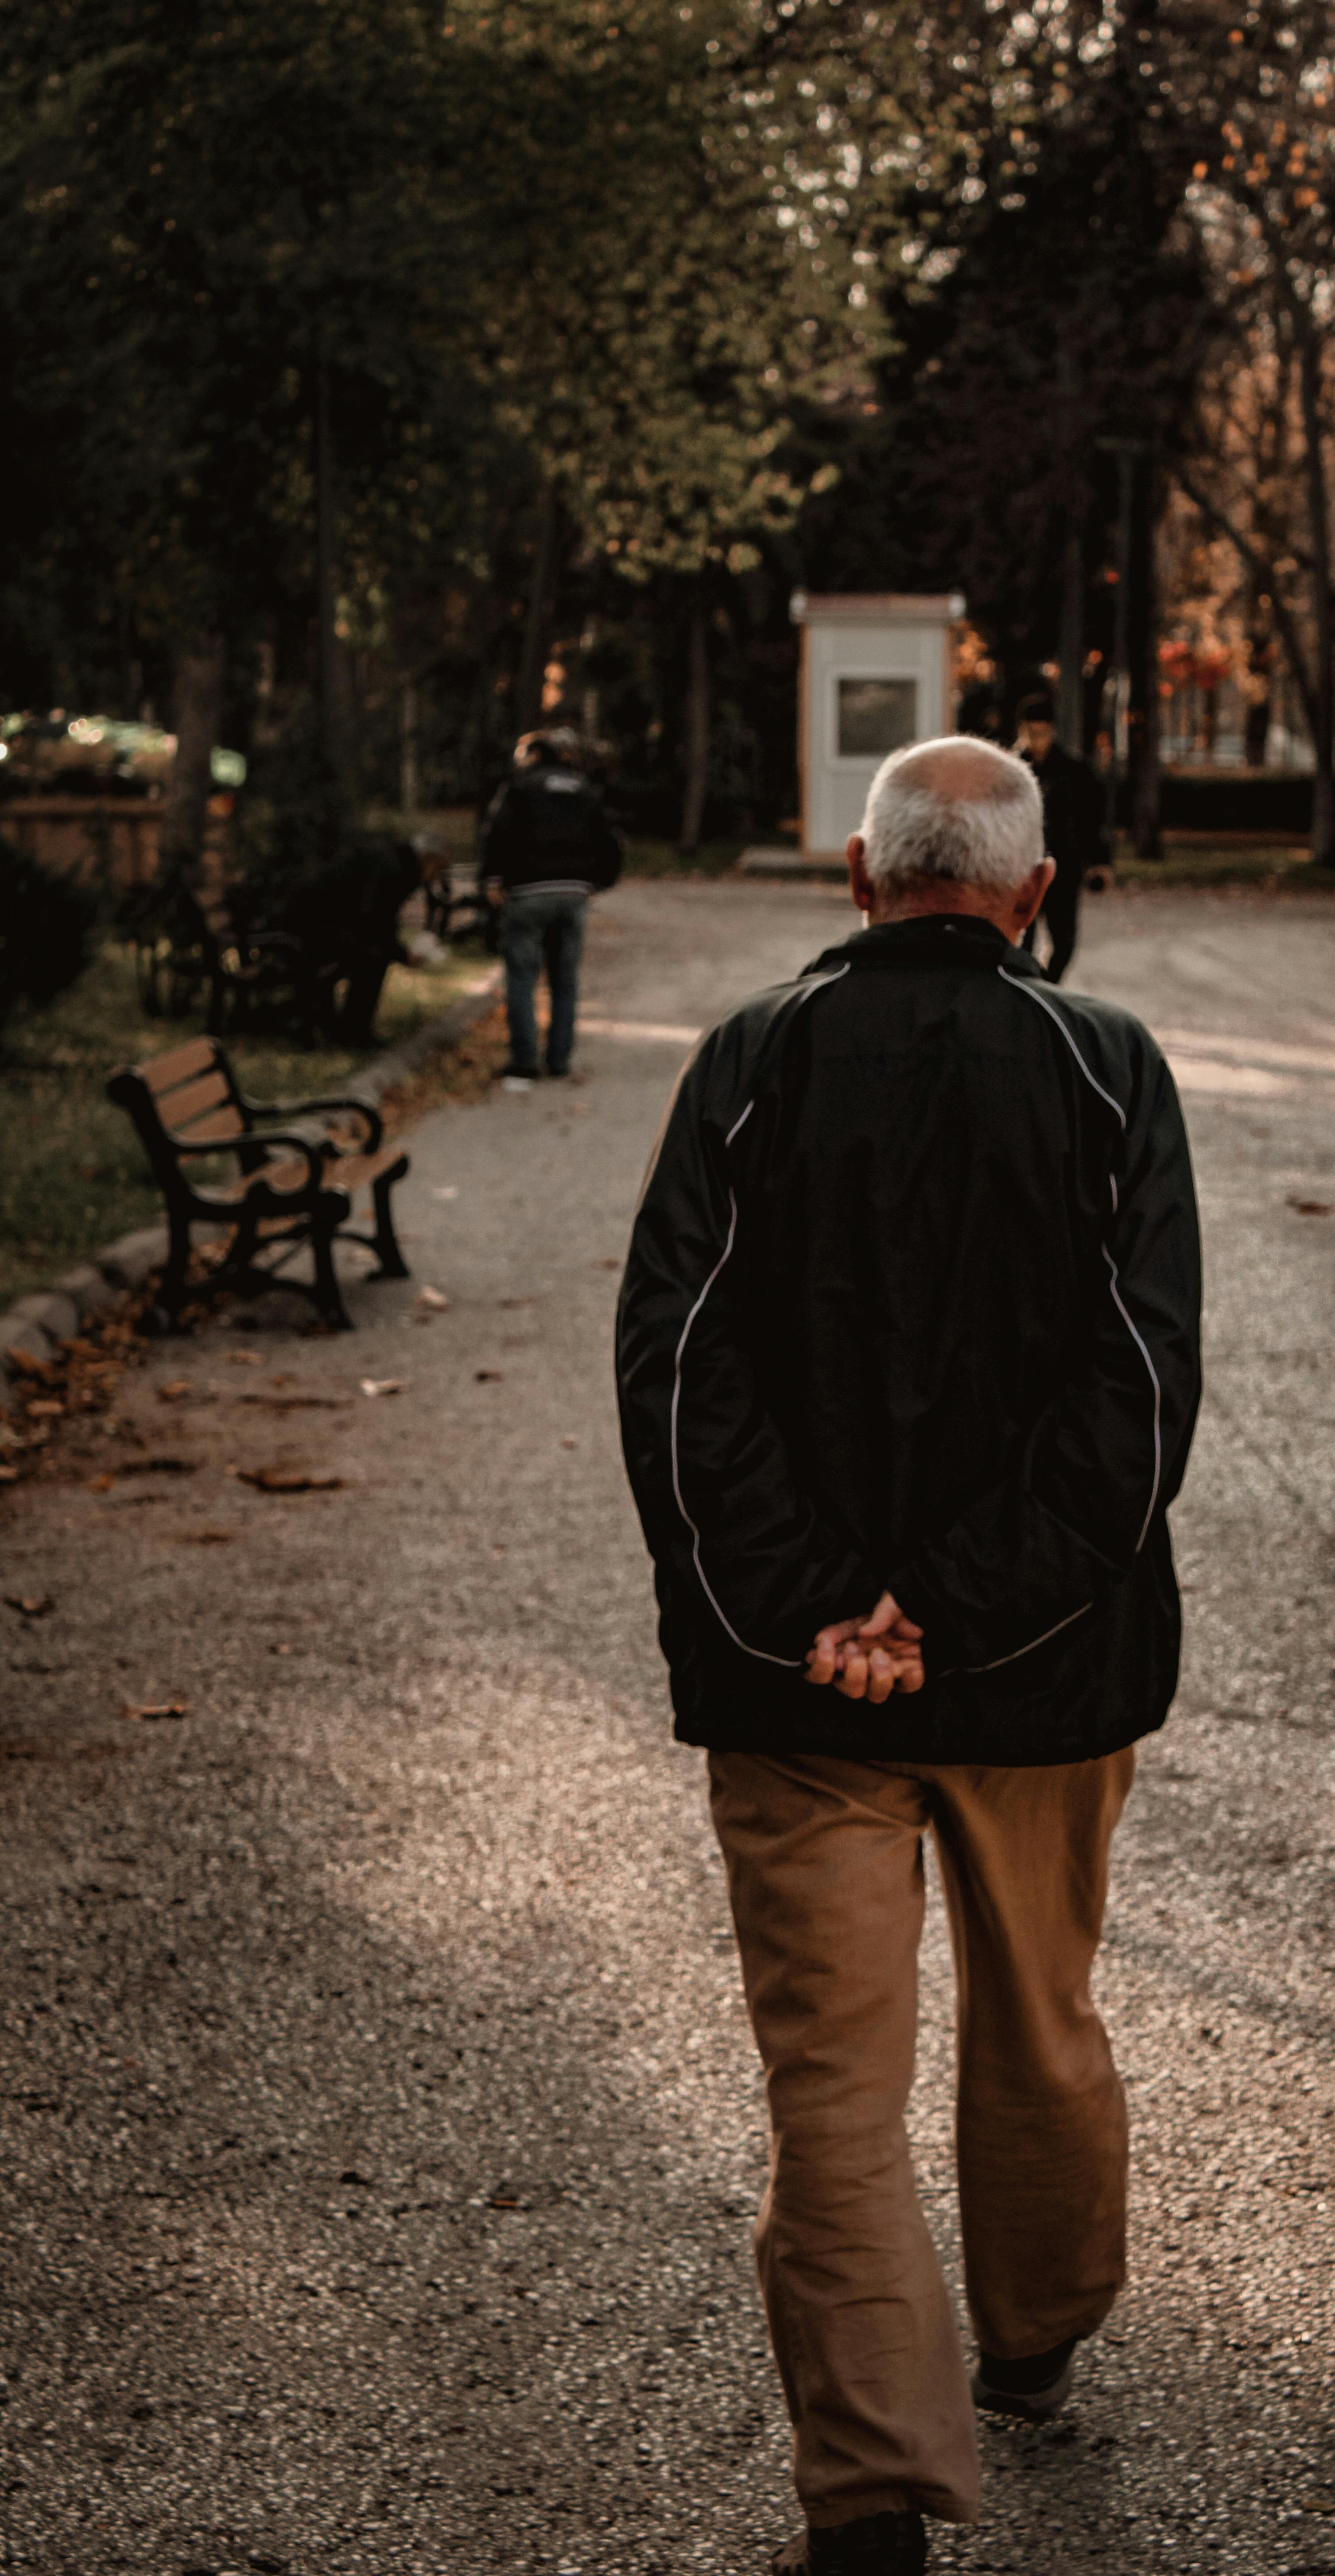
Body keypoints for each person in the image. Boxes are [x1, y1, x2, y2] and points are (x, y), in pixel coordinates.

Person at [616, 736, 1203, 2574]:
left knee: (832, 2101)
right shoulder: (1108, 1066)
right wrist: (953, 1611)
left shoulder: (752, 1059)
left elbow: (678, 1369)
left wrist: (826, 1611)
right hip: (1049, 1676)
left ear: (859, 879)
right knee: (1042, 2022)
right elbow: (1139, 1395)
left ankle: (871, 2501)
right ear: (1033, 896)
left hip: (801, 1692)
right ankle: (1032, 2340)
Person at [478, 724, 621, 1088]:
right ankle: (559, 1061)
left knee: (522, 977)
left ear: (536, 755)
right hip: (573, 894)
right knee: (565, 981)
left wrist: (493, 879)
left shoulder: (520, 788)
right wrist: (598, 882)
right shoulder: (584, 790)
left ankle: (524, 1062)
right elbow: (610, 841)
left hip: (528, 893)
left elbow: (497, 832)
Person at [287, 831, 449, 1047]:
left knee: (373, 953)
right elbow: (374, 920)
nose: (438, 875)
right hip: (315, 920)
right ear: (428, 859)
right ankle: (353, 1031)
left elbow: (379, 919)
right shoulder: (395, 868)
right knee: (372, 958)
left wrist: (397, 950)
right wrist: (402, 954)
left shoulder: (398, 863)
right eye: (439, 868)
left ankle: (349, 1028)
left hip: (323, 917)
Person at [1012, 690, 1113, 982]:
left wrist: (1100, 862)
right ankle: (1028, 990)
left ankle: (1046, 986)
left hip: (1064, 869)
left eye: (1043, 734)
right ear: (1021, 731)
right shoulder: (1011, 772)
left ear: (1052, 732)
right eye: (1031, 733)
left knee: (1065, 943)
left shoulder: (1076, 772)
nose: (1037, 740)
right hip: (1021, 871)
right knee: (1021, 943)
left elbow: (1092, 820)